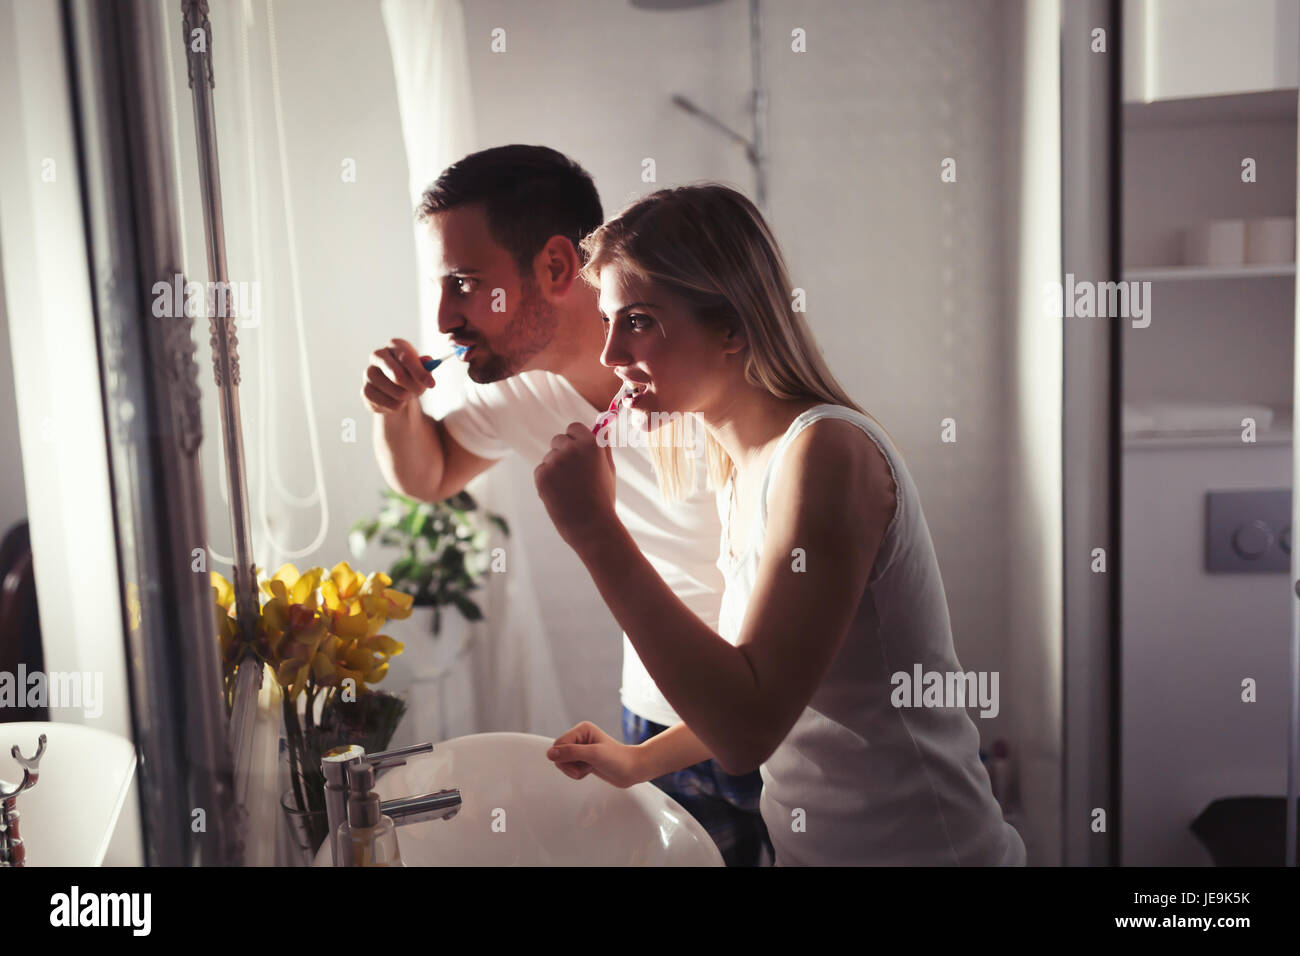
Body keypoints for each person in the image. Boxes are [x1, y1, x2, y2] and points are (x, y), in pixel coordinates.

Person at [534, 183, 1027, 866]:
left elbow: (746, 731)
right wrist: (639, 759)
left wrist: (595, 533)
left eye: (639, 320)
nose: (611, 354)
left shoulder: (826, 453)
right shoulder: (743, 467)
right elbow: (766, 682)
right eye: (611, 321)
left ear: (732, 327)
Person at [363, 145, 773, 866]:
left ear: (555, 268)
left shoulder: (700, 384)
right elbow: (428, 476)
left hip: (751, 714)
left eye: (465, 282)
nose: (443, 315)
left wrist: (592, 526)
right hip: (646, 714)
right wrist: (396, 411)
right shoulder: (517, 388)